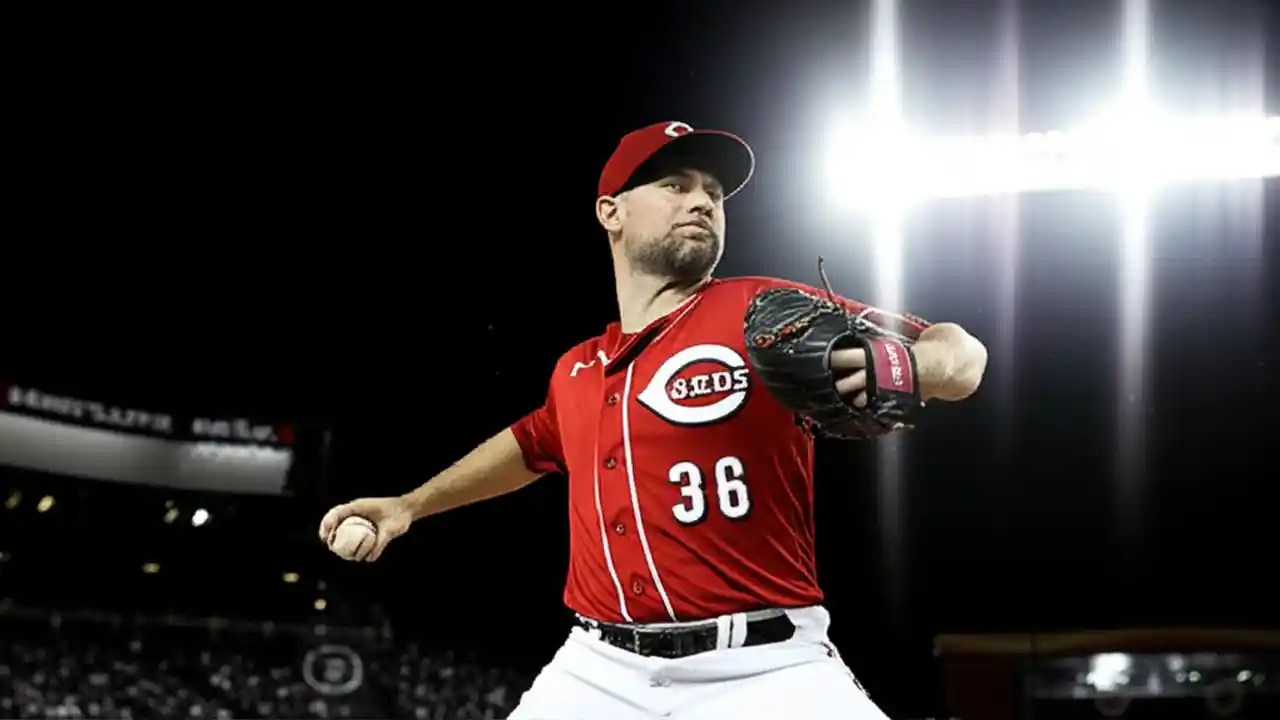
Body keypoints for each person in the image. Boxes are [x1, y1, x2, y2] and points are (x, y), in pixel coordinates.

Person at [318, 120, 988, 719]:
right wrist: (408, 505)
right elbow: (530, 444)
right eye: (675, 185)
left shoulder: (761, 312)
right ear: (610, 211)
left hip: (765, 668)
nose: (702, 201)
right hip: (599, 669)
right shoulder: (579, 368)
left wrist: (909, 367)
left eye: (714, 194)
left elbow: (961, 355)